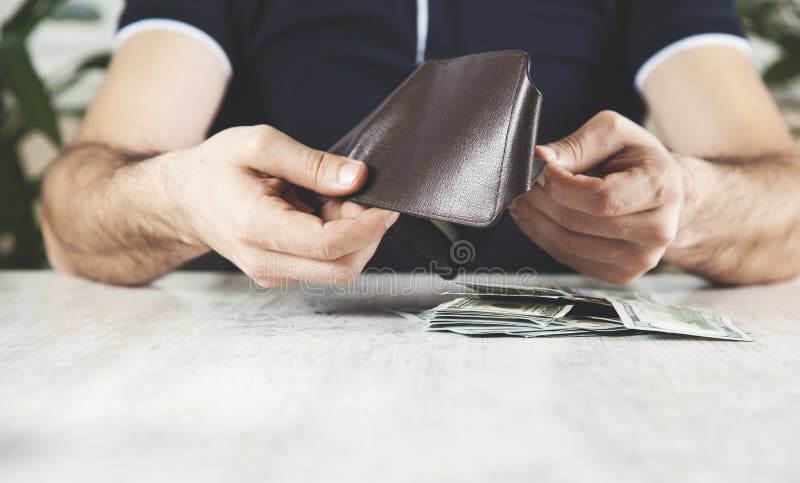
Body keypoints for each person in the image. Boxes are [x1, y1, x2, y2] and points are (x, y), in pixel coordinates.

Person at [41, 0, 800, 287]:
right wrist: (179, 197)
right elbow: (75, 212)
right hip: (265, 371)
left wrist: (684, 205)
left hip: (568, 380)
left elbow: (786, 203)